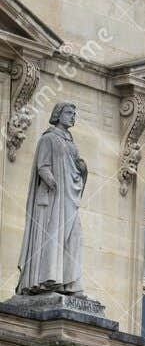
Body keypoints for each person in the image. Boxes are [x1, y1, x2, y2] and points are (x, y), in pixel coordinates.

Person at [16, 102, 87, 297]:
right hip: (53, 200)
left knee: (75, 237)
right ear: (58, 114)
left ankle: (69, 283)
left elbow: (76, 171)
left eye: (74, 113)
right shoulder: (49, 139)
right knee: (53, 236)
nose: (73, 116)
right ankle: (49, 280)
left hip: (68, 198)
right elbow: (42, 165)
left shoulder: (70, 143)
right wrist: (52, 181)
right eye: (69, 113)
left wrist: (82, 169)